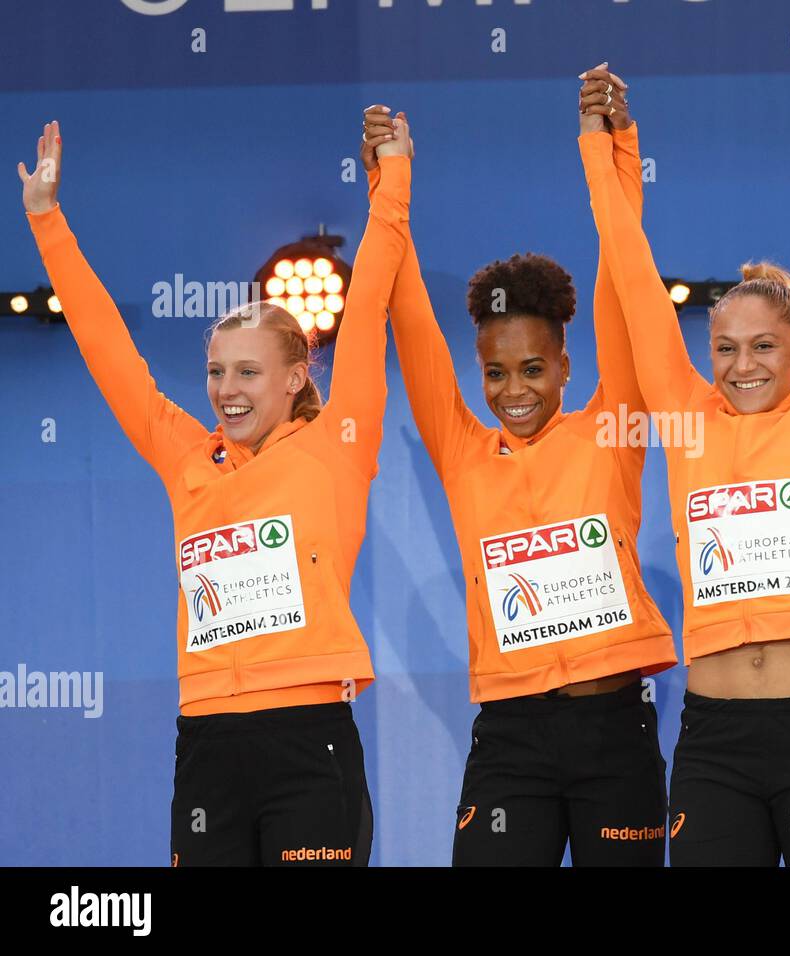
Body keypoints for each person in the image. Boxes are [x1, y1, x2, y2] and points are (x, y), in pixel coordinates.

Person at [19, 114, 414, 865]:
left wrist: (390, 176)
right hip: (206, 743)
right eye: (214, 371)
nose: (225, 391)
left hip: (309, 742)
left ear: (297, 376)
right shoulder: (186, 456)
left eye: (247, 371)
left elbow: (366, 311)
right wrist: (47, 221)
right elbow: (109, 352)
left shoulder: (338, 444)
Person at [577, 29, 790, 865]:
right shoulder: (685, 416)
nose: (741, 365)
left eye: (763, 347)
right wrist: (605, 148)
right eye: (724, 347)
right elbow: (633, 276)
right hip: (714, 739)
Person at [359, 75, 677, 867]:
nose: (514, 391)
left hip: (614, 734)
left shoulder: (612, 428)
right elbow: (409, 320)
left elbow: (625, 277)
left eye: (533, 368)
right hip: (511, 739)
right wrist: (389, 179)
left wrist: (608, 148)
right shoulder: (466, 452)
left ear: (567, 364)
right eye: (495, 374)